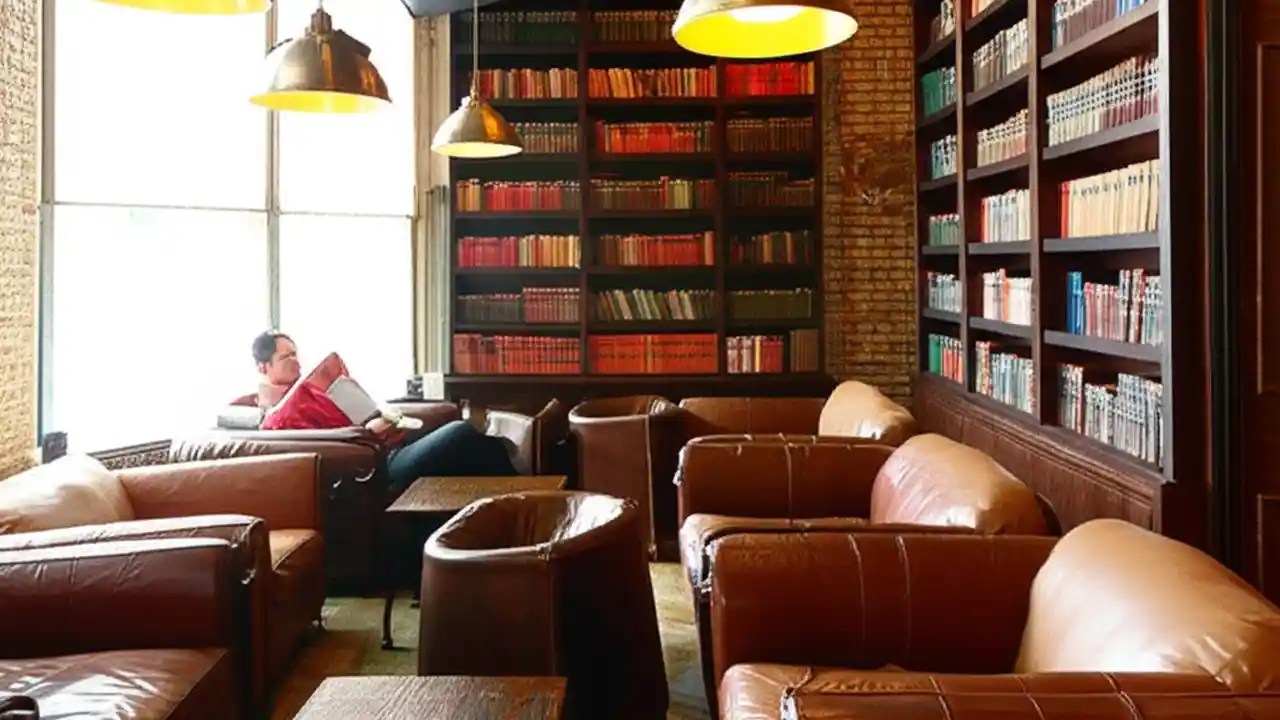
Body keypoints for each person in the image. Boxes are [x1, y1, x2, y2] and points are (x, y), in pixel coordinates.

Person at [251, 330, 517, 494]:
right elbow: (313, 447)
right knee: (461, 433)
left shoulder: (309, 392)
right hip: (374, 465)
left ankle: (515, 495)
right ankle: (524, 495)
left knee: (471, 447)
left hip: (383, 446)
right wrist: (365, 433)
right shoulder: (274, 416)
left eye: (296, 354)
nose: (297, 362)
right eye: (287, 357)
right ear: (263, 367)